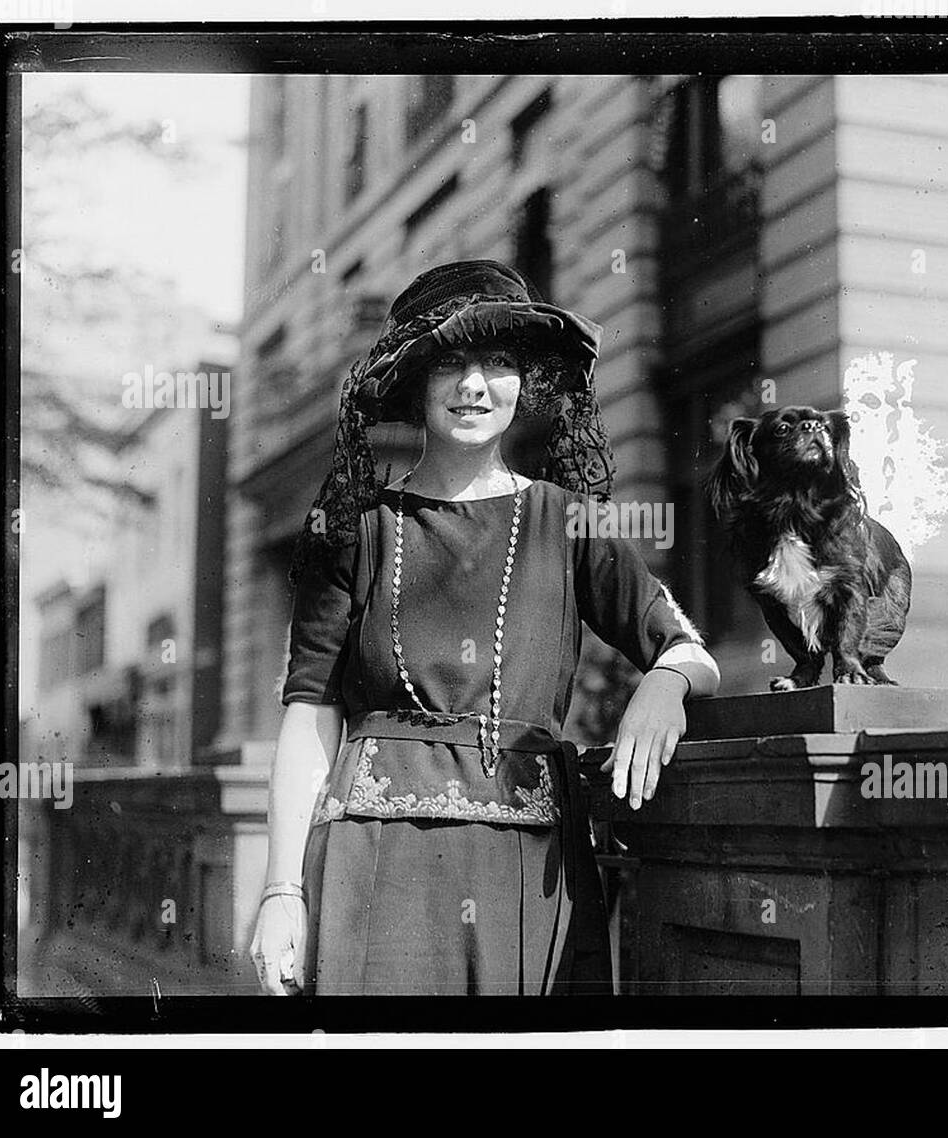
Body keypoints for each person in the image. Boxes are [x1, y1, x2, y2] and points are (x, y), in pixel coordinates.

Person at [249, 259, 720, 996]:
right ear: (415, 382)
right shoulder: (355, 532)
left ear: (524, 383)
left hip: (528, 874)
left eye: (498, 363)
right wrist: (281, 891)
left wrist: (665, 682)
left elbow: (689, 647)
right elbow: (310, 708)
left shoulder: (569, 524)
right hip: (371, 868)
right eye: (450, 364)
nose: (474, 386)